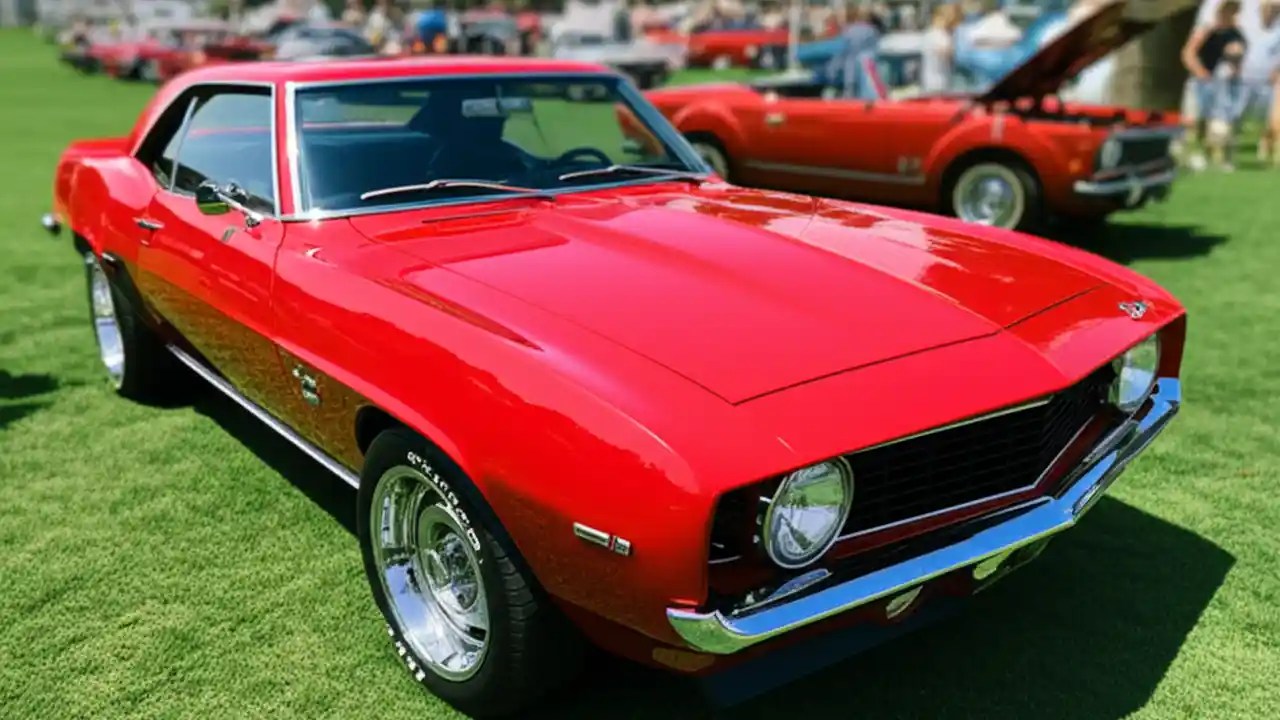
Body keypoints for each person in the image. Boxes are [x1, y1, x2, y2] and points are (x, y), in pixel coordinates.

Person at [1182, 0, 1247, 171]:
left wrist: (1235, 67)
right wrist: (1201, 72)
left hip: (1223, 84)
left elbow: (1238, 59)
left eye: (1233, 11)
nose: (1230, 14)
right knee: (1197, 121)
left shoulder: (1236, 34)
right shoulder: (1206, 30)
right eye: (1227, 10)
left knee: (1223, 122)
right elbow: (1188, 54)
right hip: (1200, 81)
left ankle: (1222, 158)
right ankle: (1196, 154)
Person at [826, 6, 883, 99]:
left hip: (850, 73)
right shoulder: (872, 32)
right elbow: (877, 52)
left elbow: (841, 54)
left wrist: (832, 72)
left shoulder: (848, 32)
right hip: (869, 73)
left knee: (850, 99)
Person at [920, 3, 960, 94]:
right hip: (938, 84)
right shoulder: (940, 35)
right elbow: (946, 52)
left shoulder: (929, 33)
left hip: (930, 81)